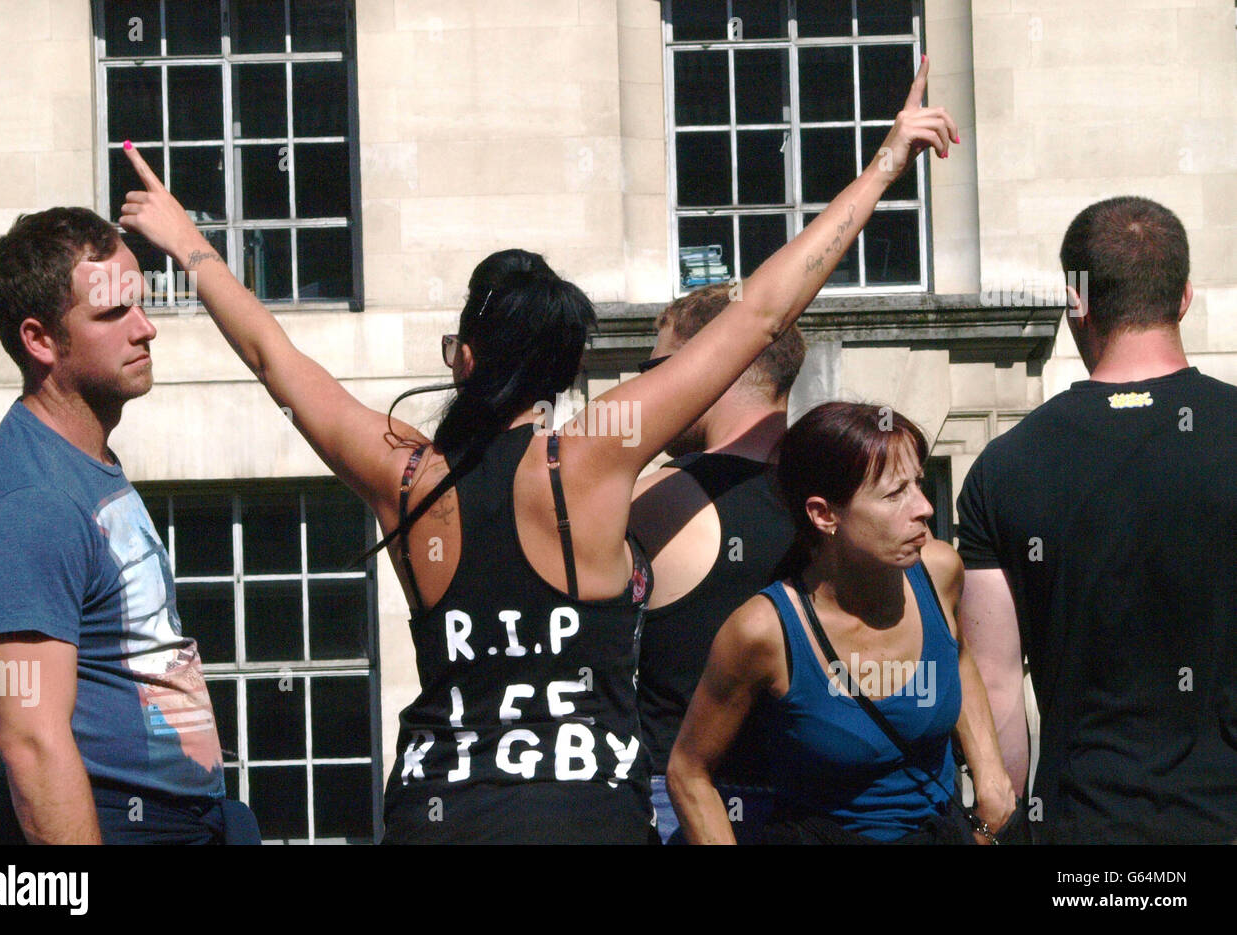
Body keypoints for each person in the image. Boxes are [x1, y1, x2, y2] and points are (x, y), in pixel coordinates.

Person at [117, 59, 958, 843]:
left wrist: (187, 240)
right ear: (562, 371)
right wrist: (885, 162)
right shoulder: (594, 454)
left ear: (468, 357)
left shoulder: (404, 473)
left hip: (436, 807)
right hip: (582, 810)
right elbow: (761, 314)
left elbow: (273, 358)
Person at [0, 208, 255, 844]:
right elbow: (33, 745)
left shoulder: (81, 463)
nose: (146, 330)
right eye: (113, 314)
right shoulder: (30, 502)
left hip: (184, 819)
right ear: (41, 340)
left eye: (139, 303)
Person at [956, 196, 1237, 844]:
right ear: (1185, 296)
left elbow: (997, 684)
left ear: (1075, 301)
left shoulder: (1005, 468)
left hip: (1083, 831)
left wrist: (1001, 826)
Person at [668, 402, 1016, 844]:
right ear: (824, 515)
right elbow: (688, 771)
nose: (925, 508)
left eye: (919, 485)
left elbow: (957, 652)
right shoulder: (765, 631)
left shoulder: (940, 571)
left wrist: (991, 777)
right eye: (895, 494)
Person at [629, 283, 803, 842]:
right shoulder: (842, 496)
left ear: (704, 364)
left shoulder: (650, 499)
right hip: (813, 804)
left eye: (654, 365)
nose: (644, 384)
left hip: (677, 800)